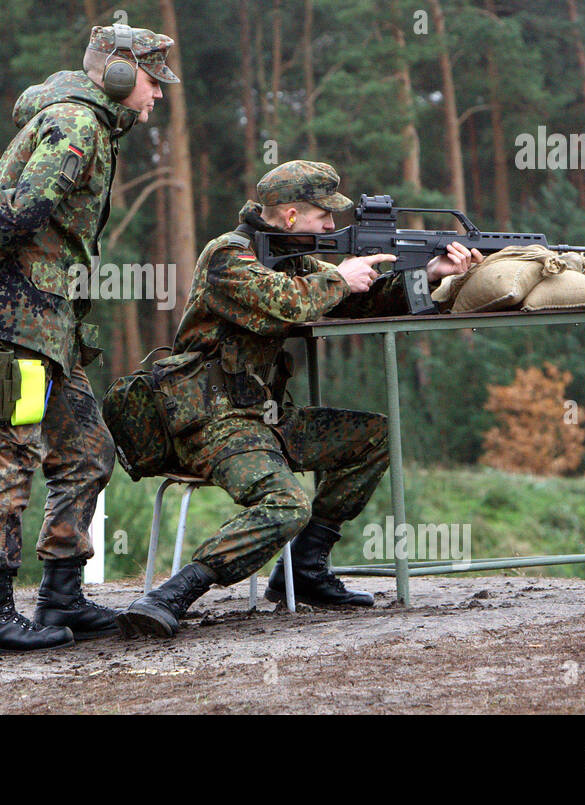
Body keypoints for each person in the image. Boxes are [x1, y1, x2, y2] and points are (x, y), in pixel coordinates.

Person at [118, 160, 482, 638]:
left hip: (266, 418)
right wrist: (339, 277)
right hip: (211, 421)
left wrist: (429, 272)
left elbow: (356, 300)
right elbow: (285, 301)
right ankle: (175, 593)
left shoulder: (296, 259)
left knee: (372, 435)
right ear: (289, 216)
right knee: (287, 504)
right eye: (323, 215)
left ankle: (305, 569)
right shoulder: (228, 256)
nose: (333, 225)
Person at [0, 24, 179, 654]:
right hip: (14, 327)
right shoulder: (79, 125)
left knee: (89, 451)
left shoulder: (87, 126)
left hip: (48, 331)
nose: (159, 96)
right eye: (152, 82)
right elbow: (22, 207)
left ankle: (62, 592)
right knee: (10, 456)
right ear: (117, 75)